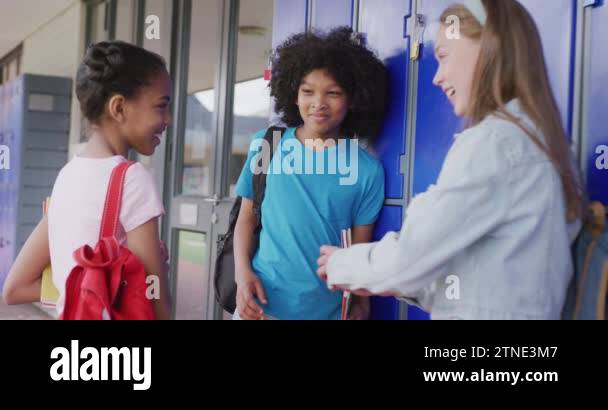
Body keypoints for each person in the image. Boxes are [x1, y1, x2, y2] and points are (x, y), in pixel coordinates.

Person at [318, 0, 584, 320]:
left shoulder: (495, 142)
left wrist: (340, 265)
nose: (437, 77)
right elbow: (481, 282)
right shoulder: (546, 142)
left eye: (443, 57)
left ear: (488, 47)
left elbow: (408, 260)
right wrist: (386, 279)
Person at [2, 41, 172, 320]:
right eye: (160, 106)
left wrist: (84, 290)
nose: (168, 118)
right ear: (118, 107)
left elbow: (15, 287)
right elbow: (154, 303)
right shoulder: (132, 179)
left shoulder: (67, 176)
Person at [233, 27, 388, 320]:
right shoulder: (267, 145)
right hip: (259, 308)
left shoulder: (368, 171)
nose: (318, 103)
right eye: (308, 91)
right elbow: (247, 217)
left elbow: (359, 248)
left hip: (327, 313)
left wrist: (359, 301)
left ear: (353, 99)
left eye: (333, 93)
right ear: (293, 94)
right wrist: (242, 274)